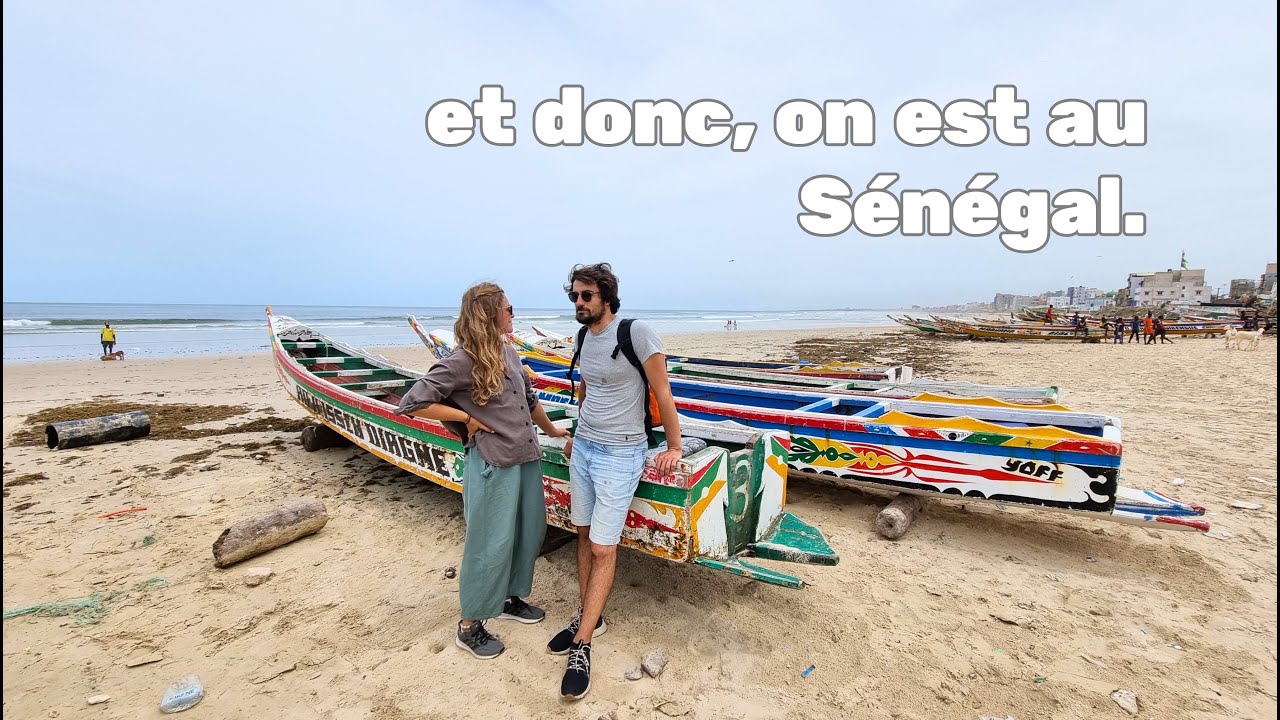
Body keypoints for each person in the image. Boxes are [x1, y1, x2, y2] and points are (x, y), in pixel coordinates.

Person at [396, 282, 570, 660]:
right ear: (489, 313)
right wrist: (465, 419)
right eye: (508, 308)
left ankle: (508, 598)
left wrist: (553, 430)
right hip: (493, 464)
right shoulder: (462, 360)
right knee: (489, 543)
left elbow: (529, 400)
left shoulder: (509, 351)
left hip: (525, 456)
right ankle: (469, 625)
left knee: (528, 533)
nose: (513, 314)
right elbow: (413, 403)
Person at [553, 263, 683, 700]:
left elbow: (663, 392)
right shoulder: (582, 337)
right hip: (585, 448)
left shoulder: (636, 332)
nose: (578, 302)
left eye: (586, 295)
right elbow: (587, 389)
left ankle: (582, 644)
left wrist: (674, 446)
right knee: (583, 534)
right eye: (573, 295)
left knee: (603, 548)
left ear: (606, 297)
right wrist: (577, 434)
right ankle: (592, 617)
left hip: (622, 452)